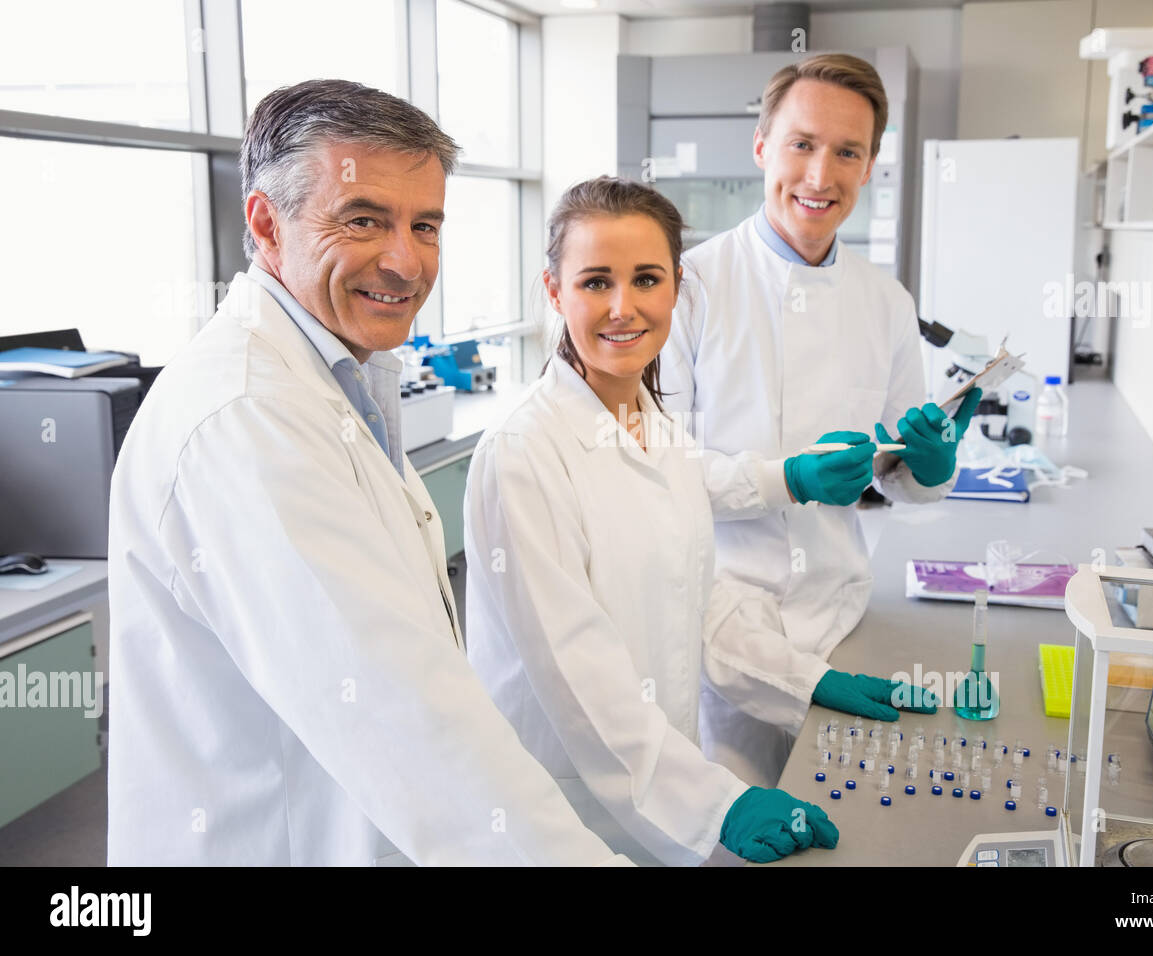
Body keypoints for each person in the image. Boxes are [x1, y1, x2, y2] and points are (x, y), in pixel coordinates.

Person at [106, 80, 628, 866]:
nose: (406, 259)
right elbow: (406, 716)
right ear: (265, 223)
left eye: (426, 225)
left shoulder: (341, 375)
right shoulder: (245, 419)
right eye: (363, 219)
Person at [464, 177, 932, 866]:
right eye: (595, 282)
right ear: (554, 291)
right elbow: (578, 675)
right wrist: (717, 804)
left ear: (675, 290)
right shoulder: (524, 457)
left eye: (646, 279)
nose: (623, 307)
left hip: (653, 793)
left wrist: (807, 681)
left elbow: (697, 602)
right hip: (561, 816)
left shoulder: (661, 433)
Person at [659, 54, 981, 787]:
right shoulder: (688, 289)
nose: (820, 175)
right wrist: (791, 478)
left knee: (852, 828)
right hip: (718, 625)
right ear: (761, 146)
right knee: (732, 833)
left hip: (841, 617)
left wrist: (929, 469)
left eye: (848, 152)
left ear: (869, 167)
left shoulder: (886, 303)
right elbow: (661, 477)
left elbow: (904, 478)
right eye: (802, 144)